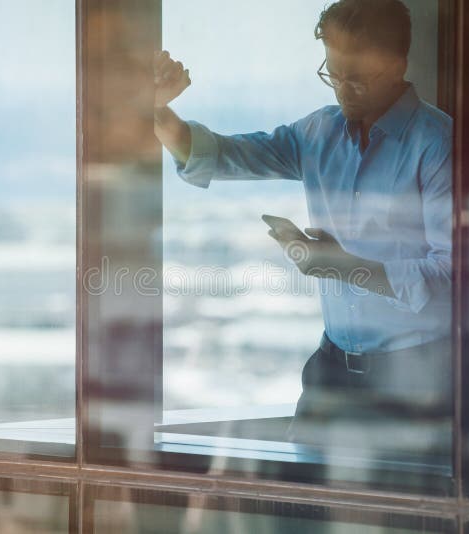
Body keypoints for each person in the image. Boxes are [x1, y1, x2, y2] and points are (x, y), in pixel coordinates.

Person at [153, 0, 453, 449]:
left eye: (358, 78)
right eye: (333, 74)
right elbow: (222, 155)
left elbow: (452, 278)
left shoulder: (437, 144)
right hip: (331, 369)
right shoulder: (318, 134)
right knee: (298, 509)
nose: (344, 91)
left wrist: (343, 266)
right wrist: (153, 109)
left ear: (398, 64)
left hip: (415, 376)